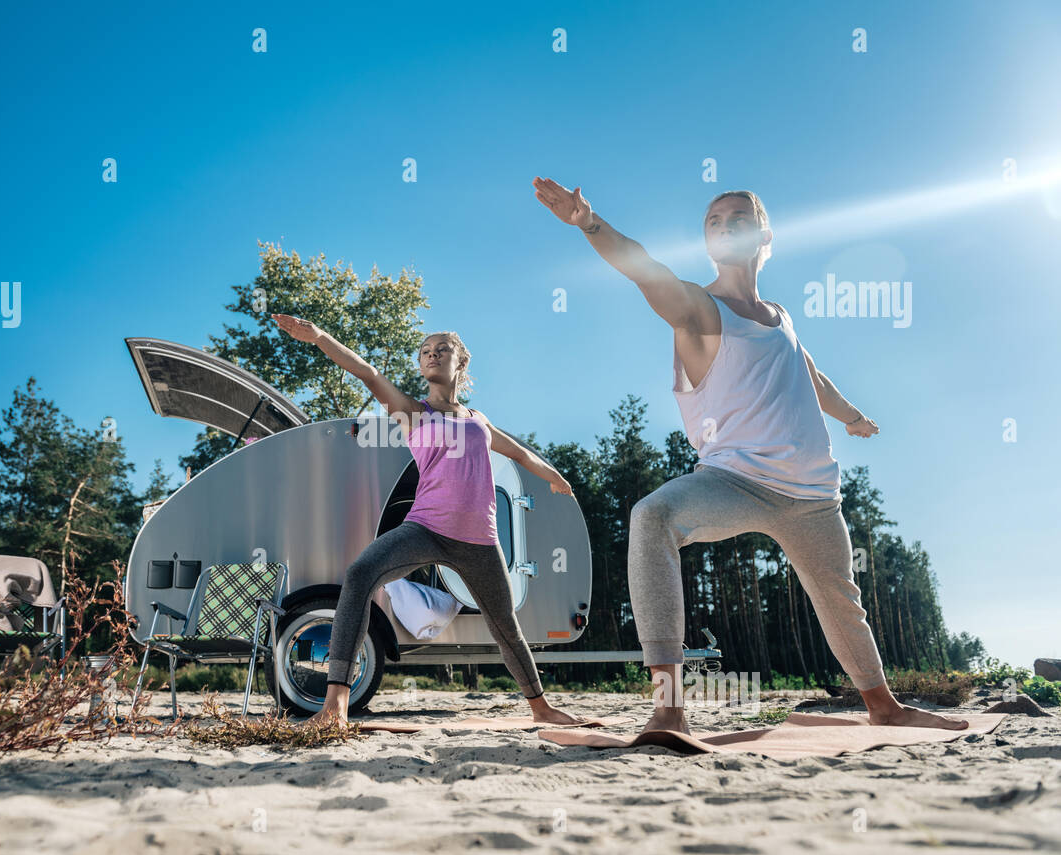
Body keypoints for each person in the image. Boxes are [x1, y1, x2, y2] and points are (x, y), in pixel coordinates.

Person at [532, 177, 969, 735]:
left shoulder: (781, 316)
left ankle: (884, 706)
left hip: (812, 494)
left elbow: (812, 376)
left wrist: (853, 416)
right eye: (714, 221)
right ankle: (669, 710)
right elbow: (644, 268)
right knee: (653, 516)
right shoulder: (699, 308)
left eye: (738, 218)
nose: (724, 227)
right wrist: (591, 224)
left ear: (764, 234)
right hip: (732, 481)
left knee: (841, 601)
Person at [271, 312, 583, 726]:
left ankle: (542, 708)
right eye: (425, 352)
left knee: (505, 625)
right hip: (426, 528)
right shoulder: (412, 413)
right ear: (420, 366)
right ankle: (335, 706)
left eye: (442, 350)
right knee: (361, 573)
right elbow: (366, 372)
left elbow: (521, 455)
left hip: (479, 539)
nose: (432, 355)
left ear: (461, 363)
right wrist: (319, 337)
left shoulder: (479, 421)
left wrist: (555, 477)